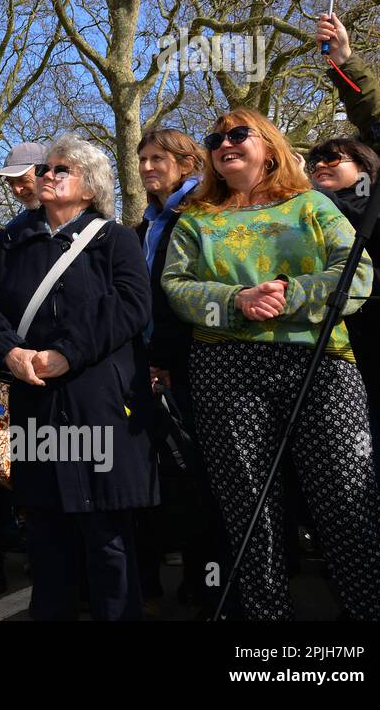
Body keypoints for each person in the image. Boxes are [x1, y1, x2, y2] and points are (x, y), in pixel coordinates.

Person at [161, 108, 380, 619]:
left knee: (345, 501)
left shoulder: (312, 204)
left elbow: (355, 272)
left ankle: (373, 613)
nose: (225, 142)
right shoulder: (195, 218)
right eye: (215, 138)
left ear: (268, 145)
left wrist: (288, 294)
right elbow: (175, 287)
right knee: (249, 509)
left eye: (239, 134)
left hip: (320, 363)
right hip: (225, 369)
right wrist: (238, 299)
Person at [0, 134, 158, 620]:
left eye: (60, 170)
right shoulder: (10, 240)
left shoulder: (116, 240)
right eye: (46, 169)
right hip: (32, 400)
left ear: (90, 188)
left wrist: (65, 355)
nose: (46, 176)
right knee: (45, 531)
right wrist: (11, 351)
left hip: (96, 400)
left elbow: (130, 306)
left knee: (105, 533)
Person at [133, 128, 224, 616]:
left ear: (187, 163)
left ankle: (209, 583)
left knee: (200, 476)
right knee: (170, 475)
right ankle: (183, 579)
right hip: (154, 365)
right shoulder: (147, 223)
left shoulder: (202, 215)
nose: (148, 167)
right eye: (142, 158)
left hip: (193, 362)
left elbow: (188, 295)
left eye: (158, 159)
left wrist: (166, 358)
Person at [308, 135, 380, 560]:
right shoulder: (311, 211)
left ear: (365, 166)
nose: (319, 166)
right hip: (340, 350)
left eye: (332, 158)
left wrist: (313, 195)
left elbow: (377, 237)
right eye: (313, 162)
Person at [0, 141, 47, 211]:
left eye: (24, 179)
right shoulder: (22, 222)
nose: (16, 189)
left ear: (46, 171)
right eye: (11, 183)